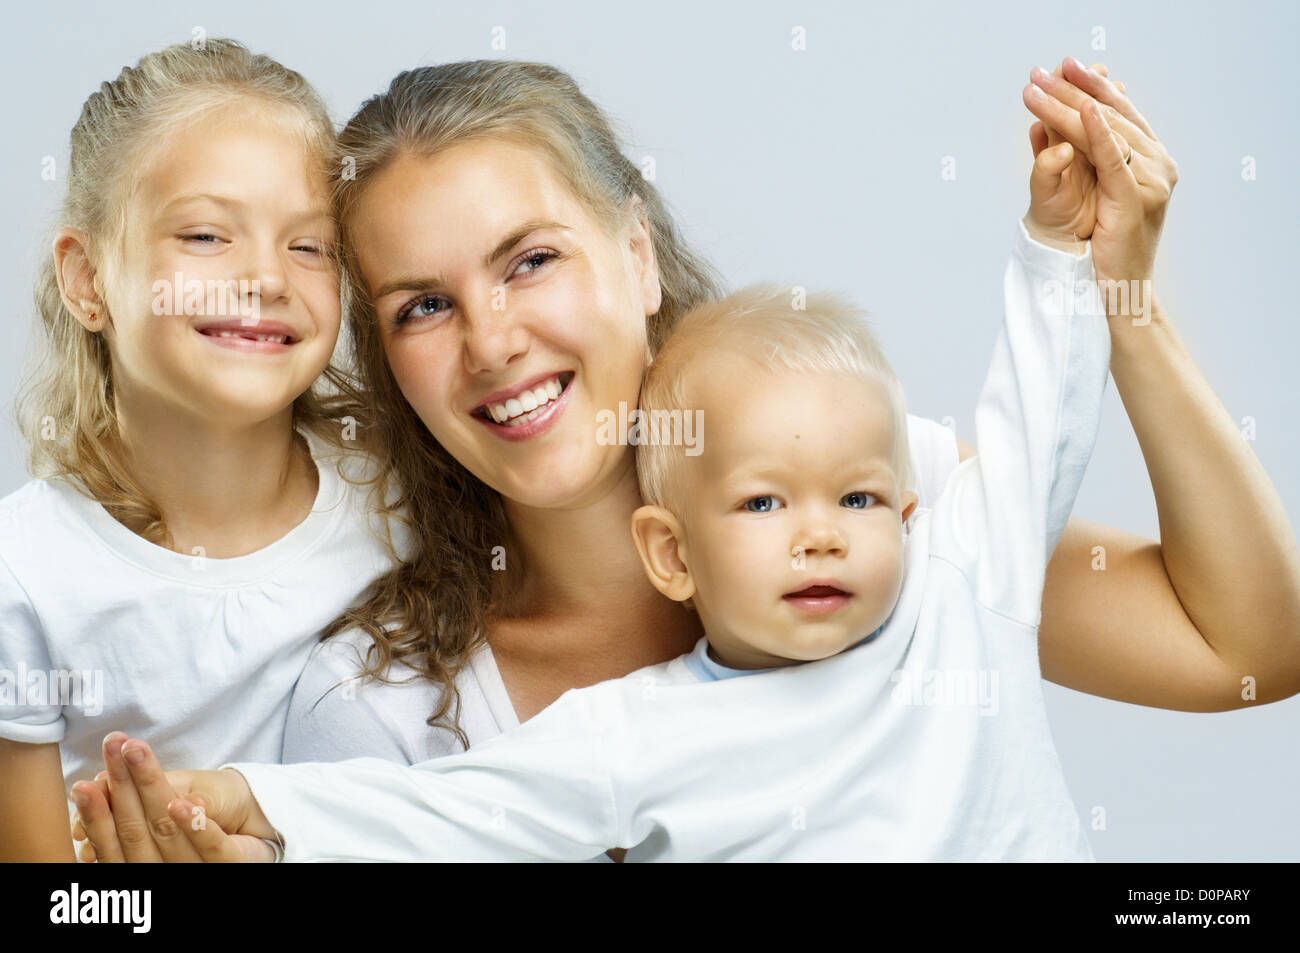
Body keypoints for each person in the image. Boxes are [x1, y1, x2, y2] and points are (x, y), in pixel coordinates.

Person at [70, 57, 1300, 863]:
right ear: (385, 358)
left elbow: (1244, 648)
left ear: (637, 259)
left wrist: (1115, 290)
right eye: (421, 307)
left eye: (530, 259)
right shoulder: (381, 706)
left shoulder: (860, 508)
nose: (495, 342)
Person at [192, 256, 1110, 862]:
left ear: (909, 516)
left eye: (860, 499)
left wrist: (1062, 241)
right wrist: (252, 801)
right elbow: (449, 813)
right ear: (672, 552)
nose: (821, 532)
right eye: (762, 503)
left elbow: (1042, 414)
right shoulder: (629, 735)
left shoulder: (959, 586)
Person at [0, 39, 401, 861]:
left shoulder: (401, 499)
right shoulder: (24, 576)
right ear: (88, 281)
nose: (265, 276)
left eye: (308, 245)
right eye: (207, 235)